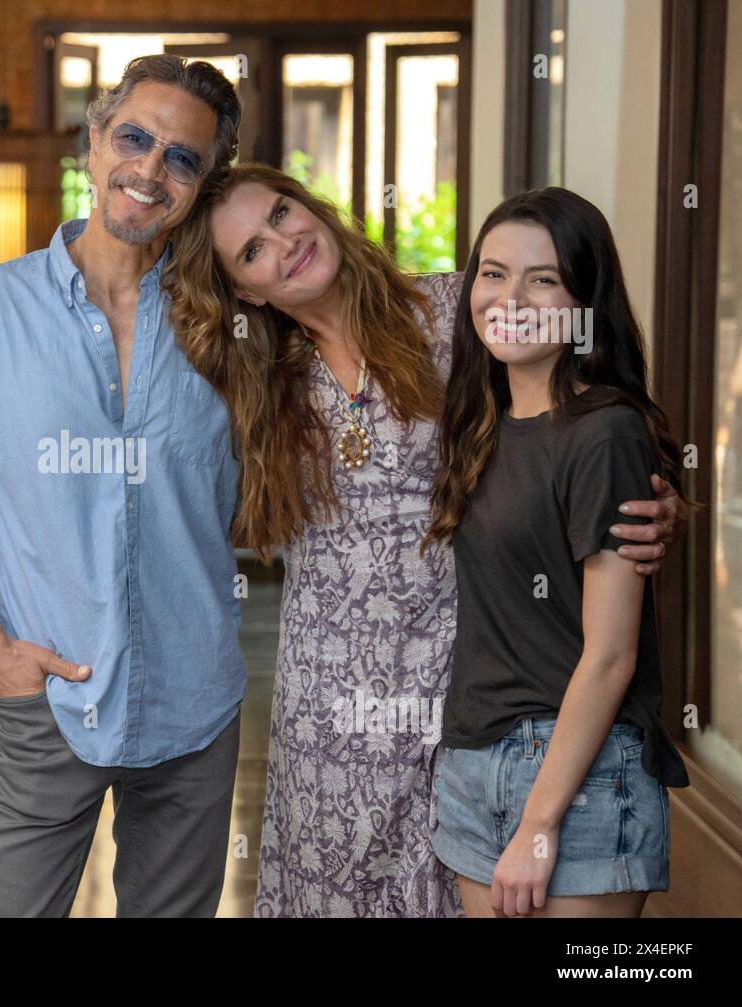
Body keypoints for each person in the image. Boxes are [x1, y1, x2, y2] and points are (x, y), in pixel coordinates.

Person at [163, 163, 685, 916]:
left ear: (311, 204)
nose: (284, 242)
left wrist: (655, 499)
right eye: (252, 251)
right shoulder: (256, 376)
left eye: (282, 212)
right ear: (245, 290)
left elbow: (578, 411)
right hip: (326, 716)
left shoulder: (453, 309)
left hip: (461, 697)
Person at [0, 54, 245, 917]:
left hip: (193, 703)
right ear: (93, 144)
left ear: (202, 184)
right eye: (134, 138)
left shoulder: (233, 327)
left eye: (182, 158)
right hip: (43, 700)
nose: (150, 170)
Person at [425, 187, 691, 917]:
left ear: (583, 302)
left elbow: (611, 655)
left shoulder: (603, 431)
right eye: (493, 271)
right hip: (476, 755)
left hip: (580, 770)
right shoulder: (479, 423)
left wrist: (539, 822)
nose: (510, 296)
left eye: (543, 278)